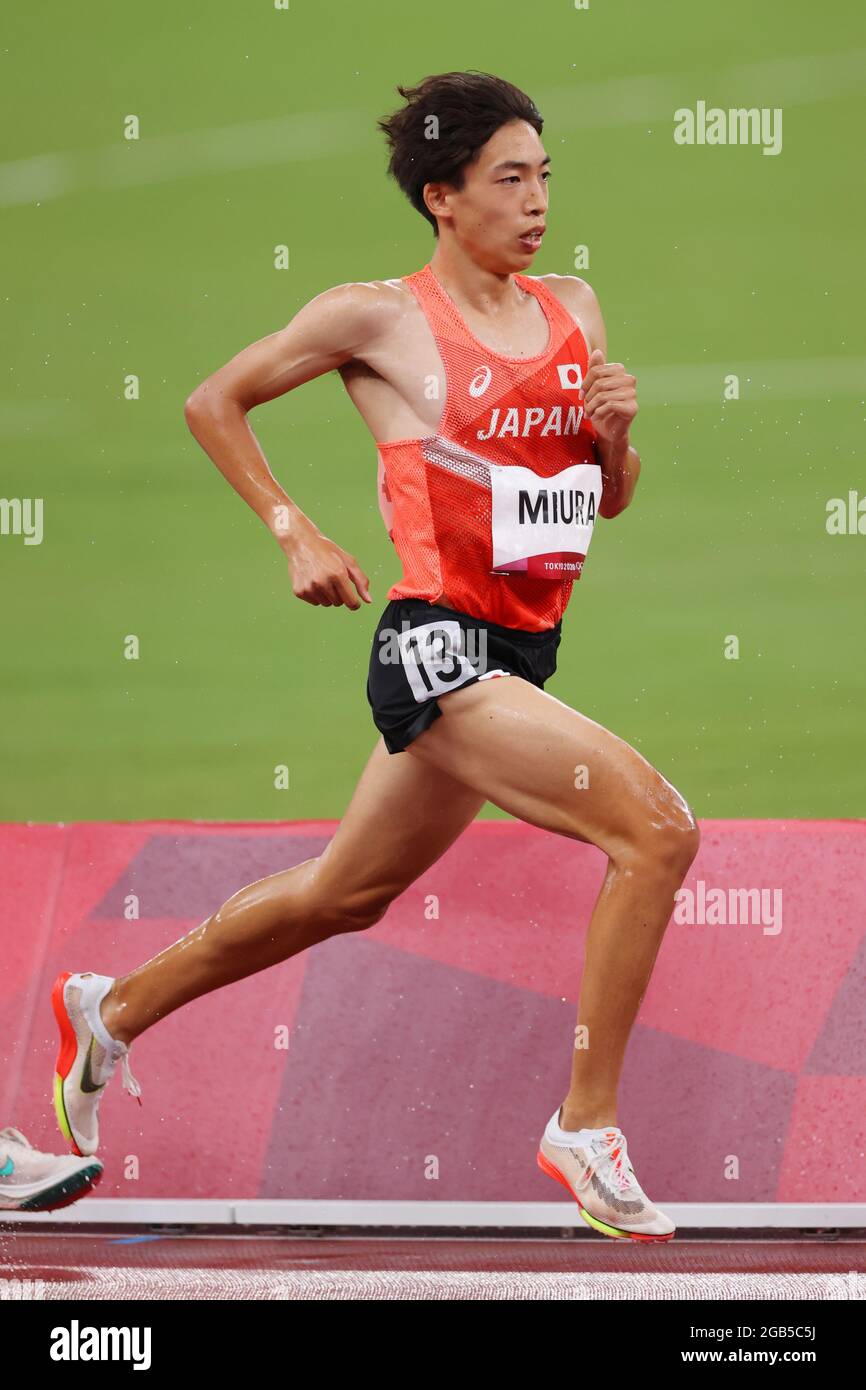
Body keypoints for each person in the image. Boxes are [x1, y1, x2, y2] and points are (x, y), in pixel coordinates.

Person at [52, 71, 699, 1241]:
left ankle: (110, 1010)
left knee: (341, 894)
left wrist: (614, 433)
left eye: (544, 174)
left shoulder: (573, 307)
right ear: (442, 197)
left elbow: (604, 504)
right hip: (438, 651)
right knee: (655, 831)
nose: (536, 200)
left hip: (523, 650)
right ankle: (584, 1125)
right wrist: (293, 528)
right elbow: (214, 400)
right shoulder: (378, 318)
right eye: (509, 179)